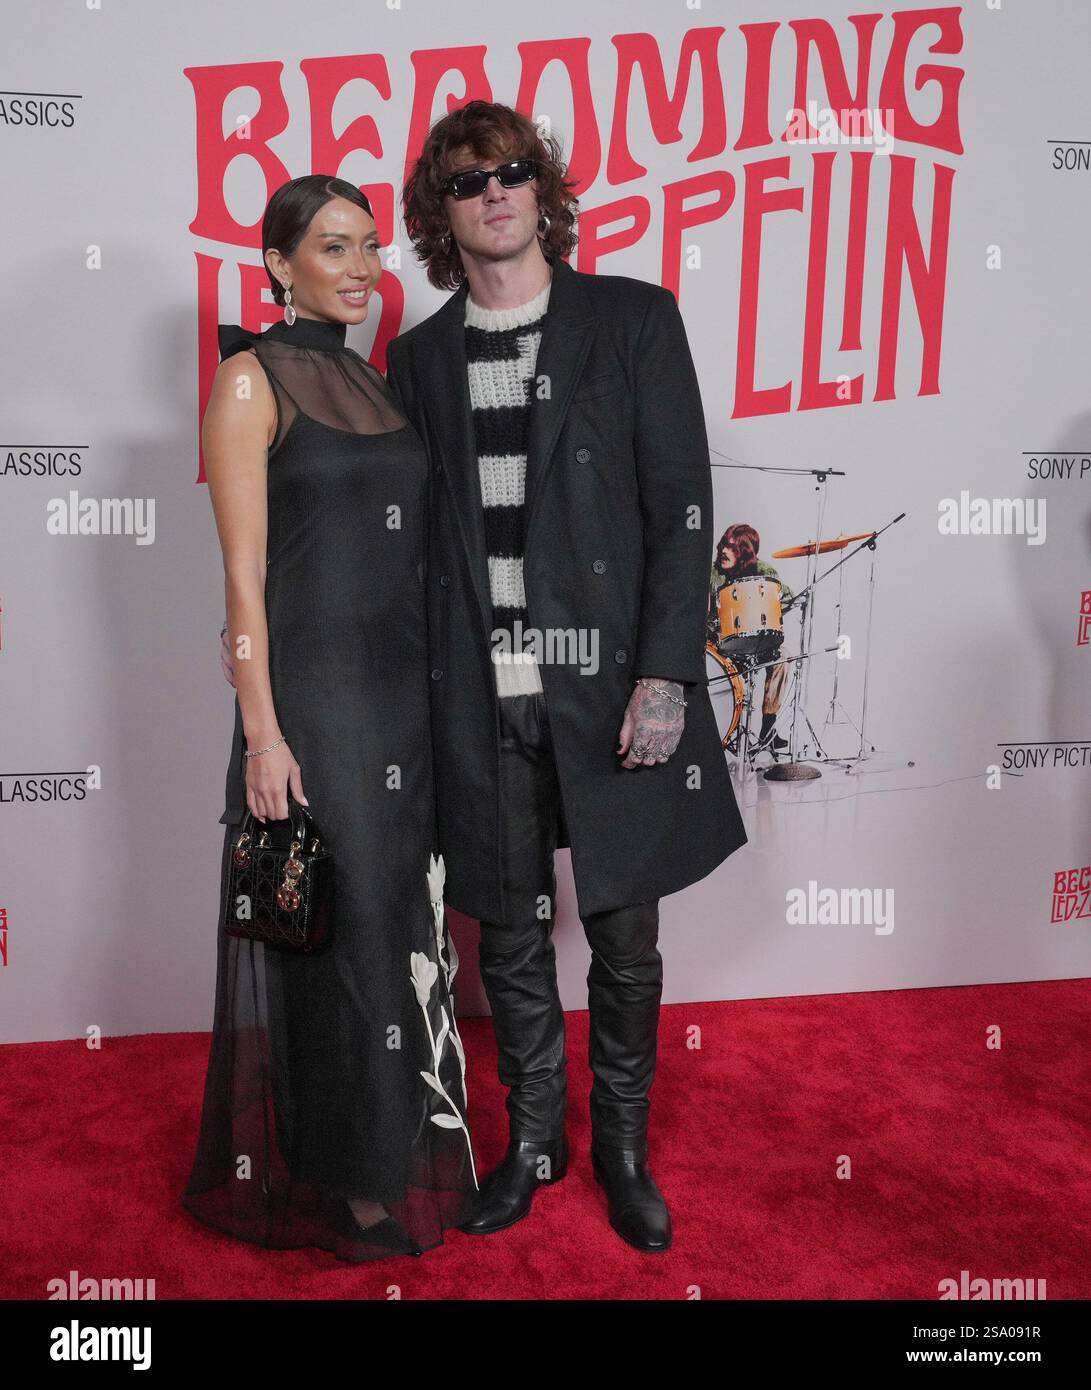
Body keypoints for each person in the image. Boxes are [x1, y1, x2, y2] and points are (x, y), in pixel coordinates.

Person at [385, 101, 748, 1252]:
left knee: (624, 930)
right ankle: (531, 1144)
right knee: (504, 934)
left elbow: (679, 512)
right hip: (479, 688)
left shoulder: (632, 320)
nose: (491, 191)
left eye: (509, 171)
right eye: (463, 181)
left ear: (541, 187)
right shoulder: (416, 359)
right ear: (440, 214)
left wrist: (665, 677)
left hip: (606, 683)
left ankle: (622, 1150)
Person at [184, 174, 476, 1263]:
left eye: (369, 249)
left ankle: (383, 1142)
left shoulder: (383, 383)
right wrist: (263, 731)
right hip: (313, 704)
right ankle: (349, 1180)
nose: (359, 268)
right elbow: (244, 581)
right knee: (338, 937)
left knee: (399, 928)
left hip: (403, 700)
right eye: (331, 247)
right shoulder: (250, 382)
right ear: (276, 264)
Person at [708, 523, 793, 754]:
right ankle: (724, 729)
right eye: (724, 545)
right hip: (722, 645)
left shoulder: (765, 571)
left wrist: (773, 604)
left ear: (745, 552)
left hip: (757, 643)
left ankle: (768, 730)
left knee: (783, 658)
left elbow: (787, 597)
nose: (724, 551)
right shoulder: (714, 573)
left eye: (733, 548)